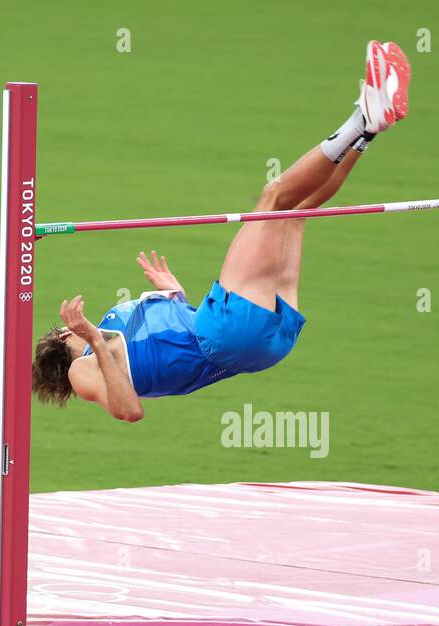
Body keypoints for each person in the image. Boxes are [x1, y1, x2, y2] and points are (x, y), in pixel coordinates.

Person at [31, 40, 411, 421]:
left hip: (261, 344)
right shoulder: (83, 367)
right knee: (273, 198)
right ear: (64, 338)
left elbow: (169, 351)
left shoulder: (117, 331)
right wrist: (92, 338)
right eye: (70, 330)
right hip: (226, 337)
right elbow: (131, 412)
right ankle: (362, 118)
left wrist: (175, 296)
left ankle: (369, 131)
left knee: (296, 211)